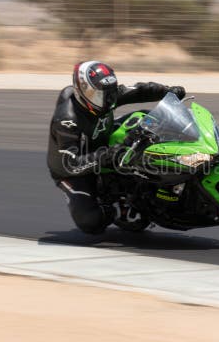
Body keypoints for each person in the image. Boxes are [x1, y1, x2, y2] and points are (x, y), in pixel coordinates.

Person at [47, 60, 185, 234]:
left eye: (110, 93)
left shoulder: (103, 93)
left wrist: (167, 91)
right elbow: (71, 164)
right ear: (81, 91)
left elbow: (138, 91)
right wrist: (109, 154)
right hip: (73, 169)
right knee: (90, 221)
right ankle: (118, 208)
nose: (107, 99)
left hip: (103, 142)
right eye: (99, 95)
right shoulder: (67, 119)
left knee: (148, 119)